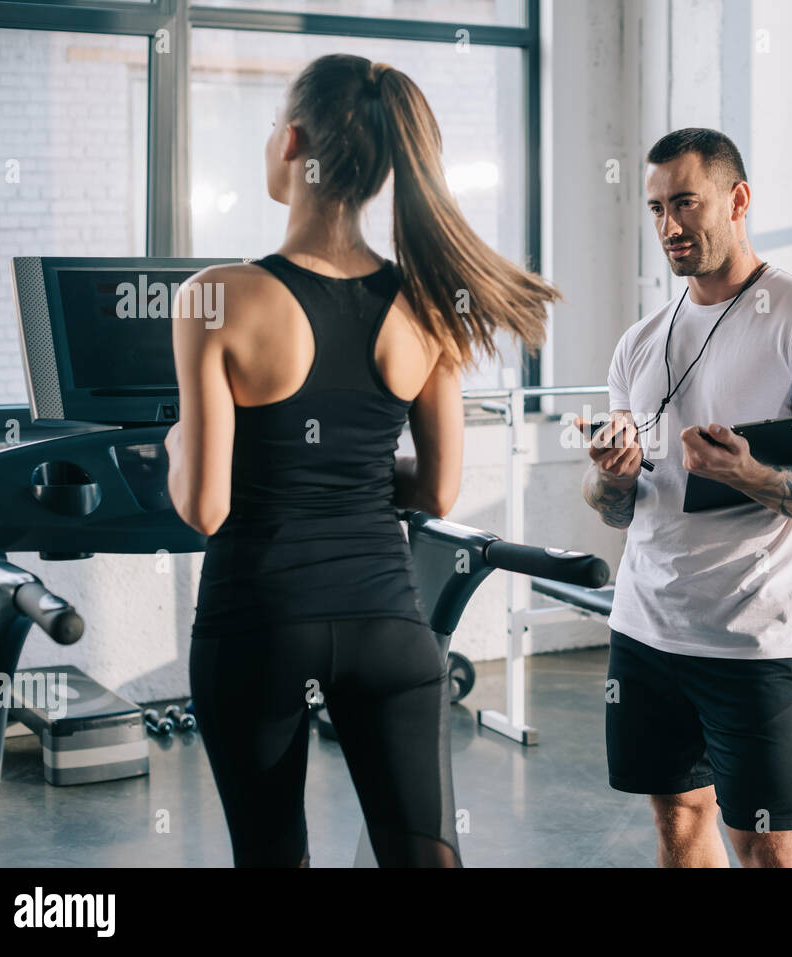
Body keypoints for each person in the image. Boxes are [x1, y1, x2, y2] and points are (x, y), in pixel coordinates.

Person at [165, 53, 558, 867]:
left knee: (273, 854)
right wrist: (346, 477)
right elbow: (439, 488)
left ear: (293, 142)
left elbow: (204, 506)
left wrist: (178, 445)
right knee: (423, 855)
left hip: (259, 623)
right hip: (388, 622)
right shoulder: (426, 299)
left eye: (275, 120)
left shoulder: (215, 297)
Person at [582, 128, 792, 868]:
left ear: (738, 199)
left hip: (752, 641)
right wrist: (612, 476)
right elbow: (615, 507)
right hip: (647, 628)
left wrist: (756, 475)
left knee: (771, 851)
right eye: (656, 208)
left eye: (686, 202)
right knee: (680, 823)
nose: (670, 227)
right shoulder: (639, 342)